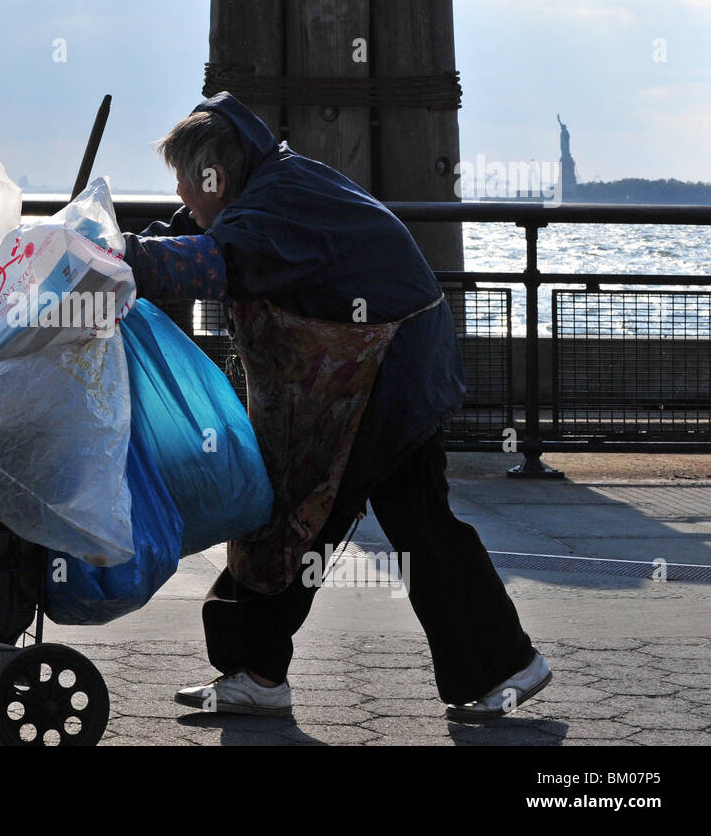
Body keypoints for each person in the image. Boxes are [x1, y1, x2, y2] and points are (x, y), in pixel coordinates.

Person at [122, 91, 551, 722]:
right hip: (388, 372)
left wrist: (121, 260)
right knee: (367, 520)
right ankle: (496, 665)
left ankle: (261, 670)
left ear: (217, 173)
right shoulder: (266, 186)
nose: (182, 194)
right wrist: (119, 244)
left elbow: (217, 258)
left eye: (187, 180)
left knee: (301, 515)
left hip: (381, 379)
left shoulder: (278, 206)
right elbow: (192, 232)